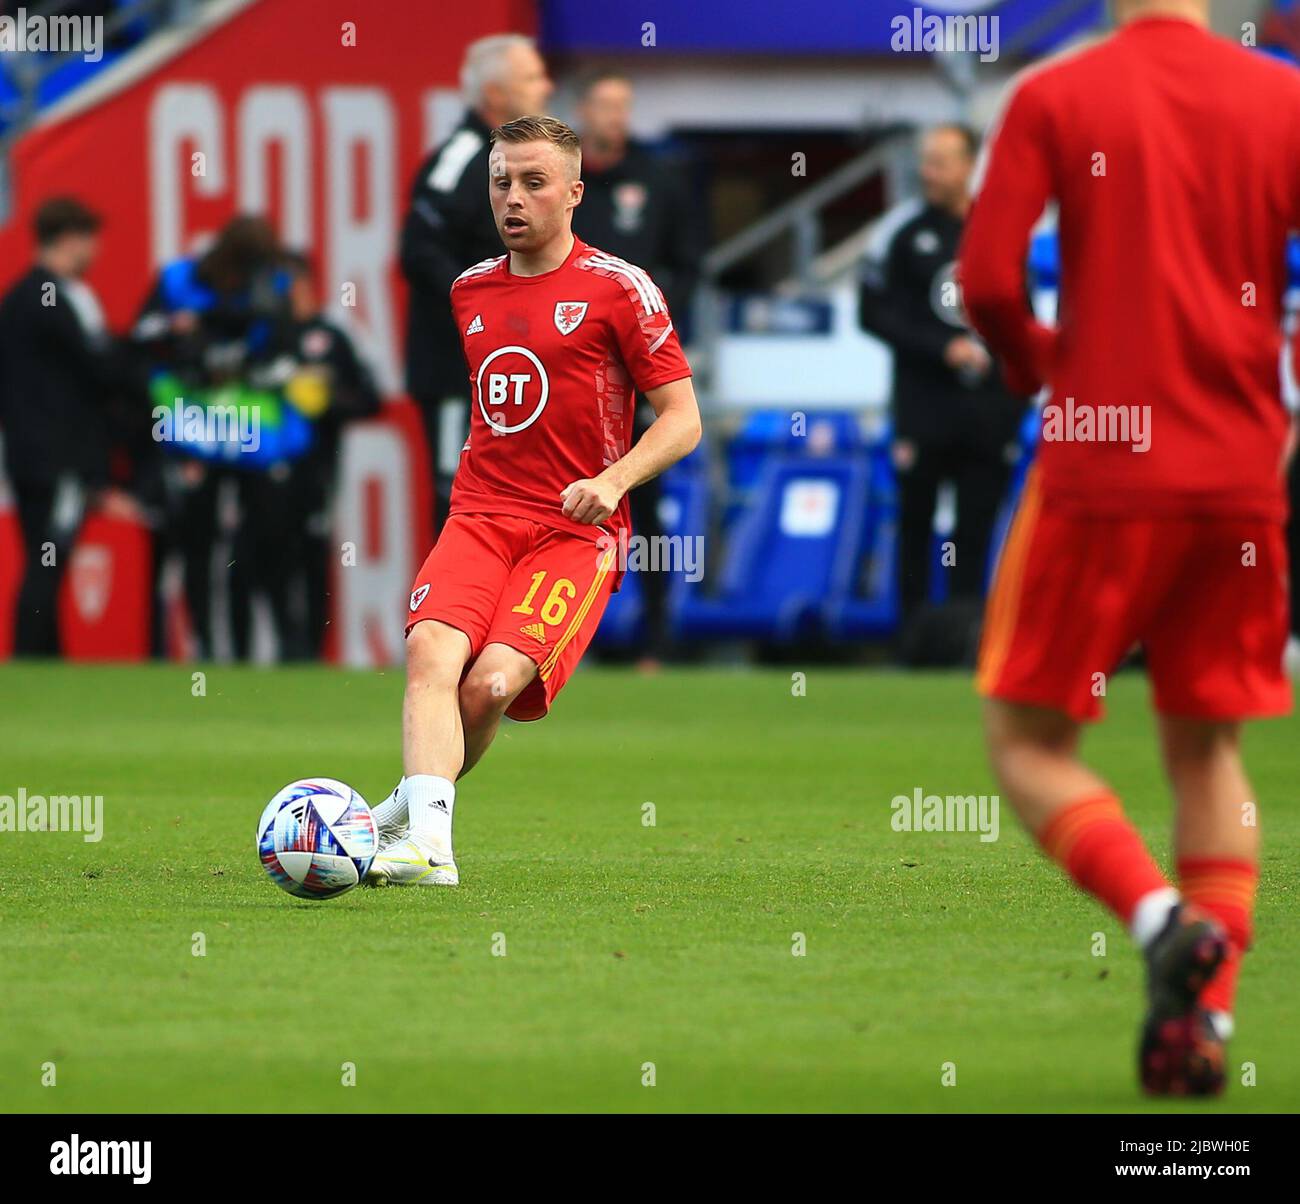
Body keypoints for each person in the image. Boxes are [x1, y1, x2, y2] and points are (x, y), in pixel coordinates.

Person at [959, 0, 1297, 1096]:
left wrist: (1037, 364)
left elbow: (990, 283)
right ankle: (1201, 1025)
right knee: (1207, 751)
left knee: (1024, 737)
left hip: (1104, 463)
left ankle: (1159, 923)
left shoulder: (1058, 93)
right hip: (1240, 470)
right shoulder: (1282, 93)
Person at [368, 116, 701, 887]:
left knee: (486, 687)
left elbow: (683, 420)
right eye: (500, 183)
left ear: (576, 193)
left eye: (533, 182)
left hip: (573, 531)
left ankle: (409, 810)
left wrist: (612, 482)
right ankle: (431, 849)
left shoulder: (621, 289)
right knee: (429, 654)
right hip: (481, 512)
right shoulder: (468, 290)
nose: (511, 198)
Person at [859, 124, 1026, 645]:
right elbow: (873, 313)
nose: (928, 173)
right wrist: (940, 346)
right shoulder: (901, 234)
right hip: (924, 407)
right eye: (925, 162)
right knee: (915, 522)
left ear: (970, 165)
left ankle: (969, 637)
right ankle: (911, 639)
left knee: (976, 525)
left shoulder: (1000, 229)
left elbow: (1018, 313)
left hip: (989, 409)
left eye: (939, 162)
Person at [572, 69, 706, 668]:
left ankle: (656, 636)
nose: (616, 118)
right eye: (605, 106)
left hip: (639, 363)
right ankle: (569, 635)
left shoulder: (658, 180)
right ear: (584, 110)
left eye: (625, 107)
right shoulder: (565, 184)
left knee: (643, 497)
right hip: (575, 366)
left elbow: (689, 260)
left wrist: (643, 324)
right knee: (569, 493)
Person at [399, 34, 553, 531]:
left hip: (514, 365)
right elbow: (418, 250)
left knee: (511, 497)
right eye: (531, 78)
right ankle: (444, 608)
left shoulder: (527, 162)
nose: (545, 87)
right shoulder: (461, 157)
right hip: (455, 370)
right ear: (494, 96)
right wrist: (485, 309)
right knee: (456, 492)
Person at [0, 197, 112, 656]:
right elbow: (98, 369)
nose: (95, 252)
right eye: (90, 241)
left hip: (26, 456)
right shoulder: (56, 300)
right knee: (49, 563)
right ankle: (31, 658)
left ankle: (46, 661)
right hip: (56, 460)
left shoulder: (15, 299)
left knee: (42, 557)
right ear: (69, 240)